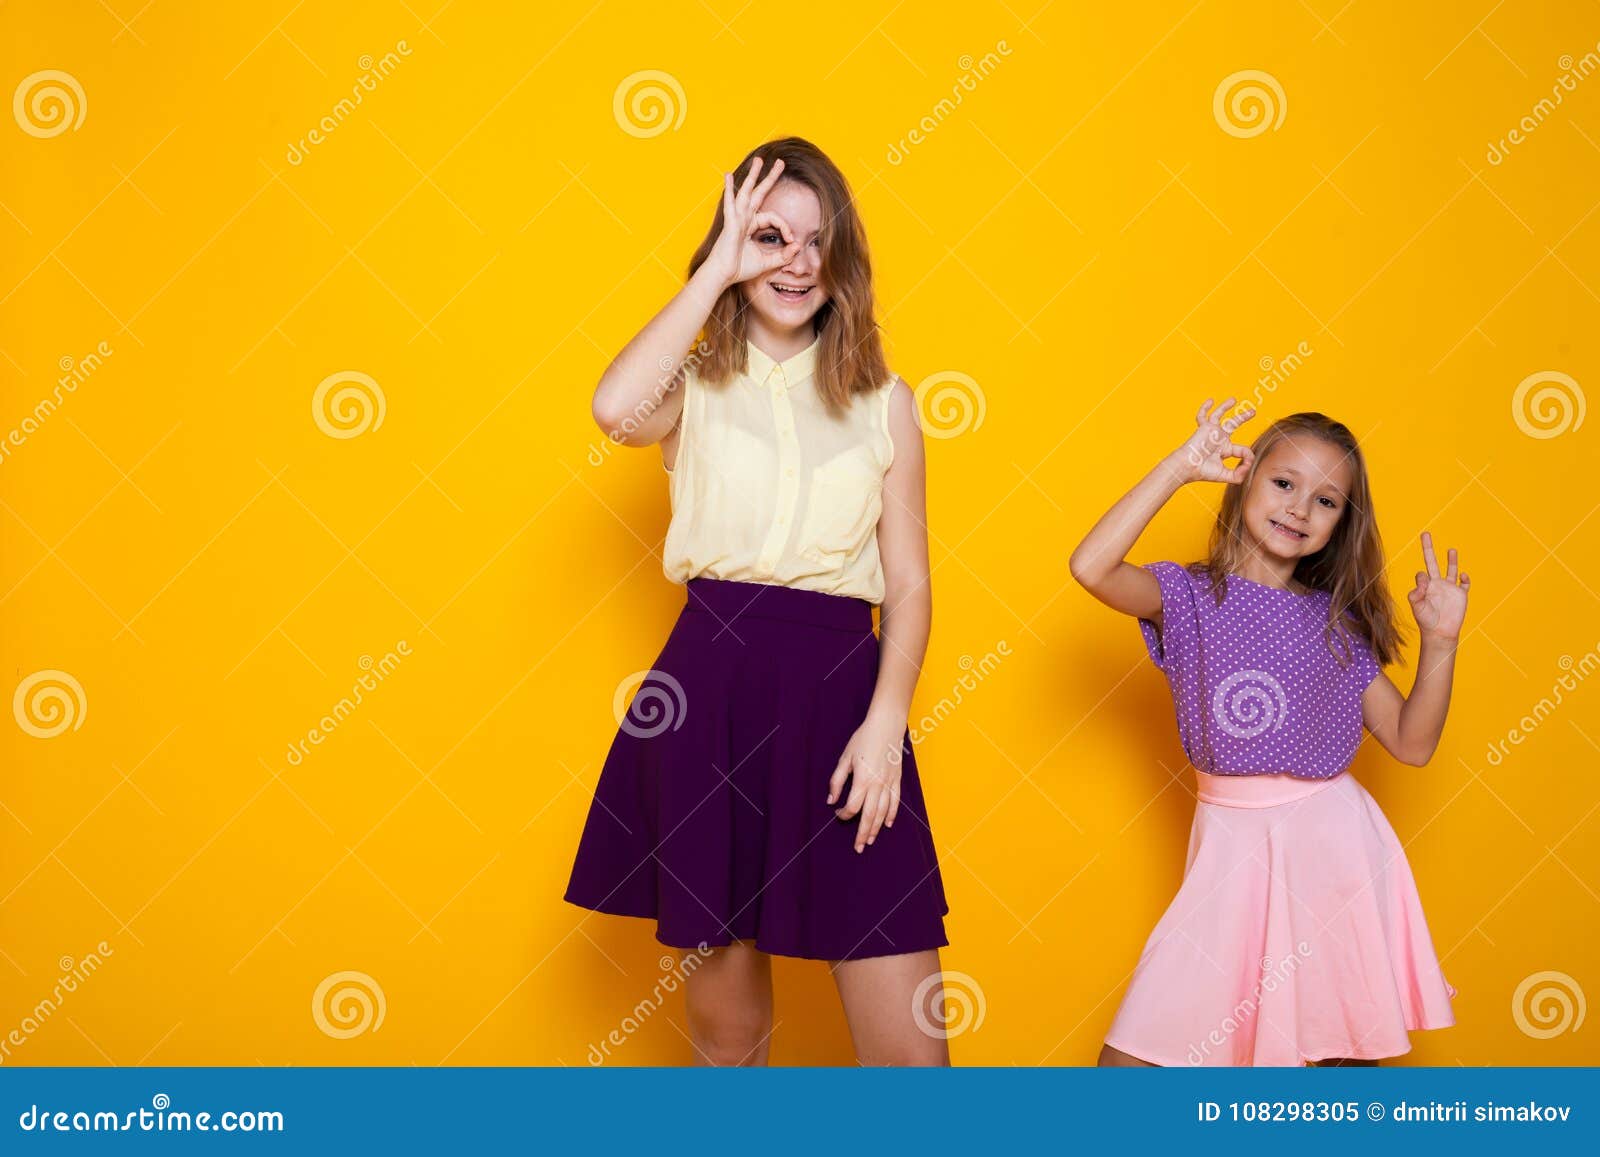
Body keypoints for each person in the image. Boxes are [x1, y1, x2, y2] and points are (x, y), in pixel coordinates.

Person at [565, 137, 950, 1066]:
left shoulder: (885, 400)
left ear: (842, 258)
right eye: (770, 237)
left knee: (916, 1064)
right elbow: (614, 408)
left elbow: (909, 581)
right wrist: (716, 273)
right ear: (734, 250)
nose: (796, 261)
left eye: (816, 242)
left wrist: (886, 720)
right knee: (728, 1043)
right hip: (708, 699)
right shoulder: (692, 385)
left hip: (843, 702)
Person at [1070, 399, 1464, 1066]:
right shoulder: (1189, 596)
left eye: (1327, 500)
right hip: (1228, 854)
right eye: (1284, 483)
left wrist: (1443, 642)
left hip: (1332, 849)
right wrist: (1178, 469)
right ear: (1246, 479)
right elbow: (1091, 568)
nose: (1299, 508)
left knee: (1328, 1064)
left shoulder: (1337, 625)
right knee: (1132, 1070)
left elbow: (1411, 741)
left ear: (1342, 524)